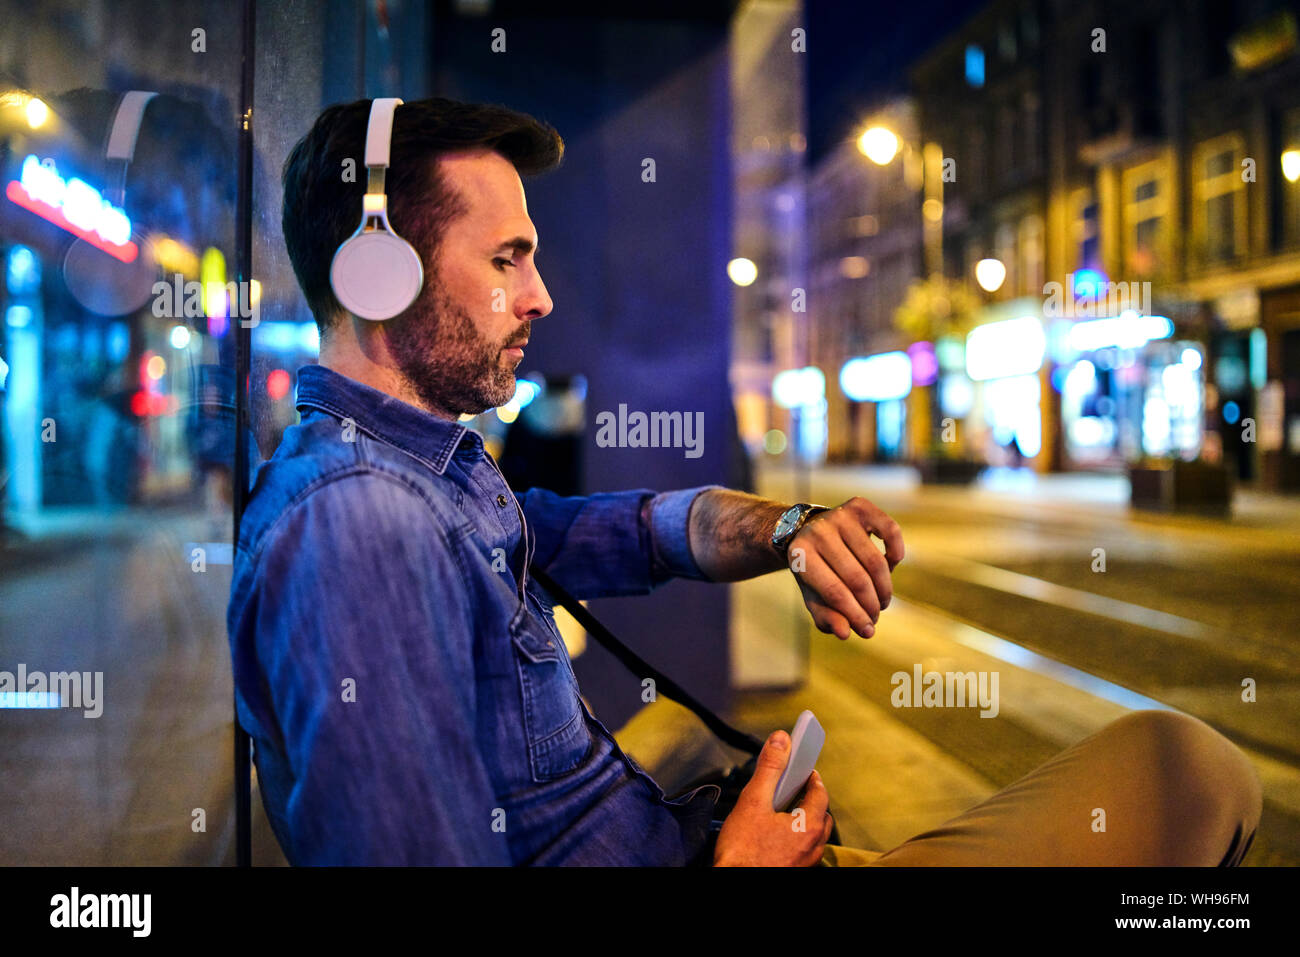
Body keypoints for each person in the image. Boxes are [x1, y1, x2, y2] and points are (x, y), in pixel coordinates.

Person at [227, 97, 1262, 866]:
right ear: (378, 268)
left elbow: (622, 532)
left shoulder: (432, 474)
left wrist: (787, 529)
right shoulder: (359, 525)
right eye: (507, 259)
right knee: (1184, 769)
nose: (539, 296)